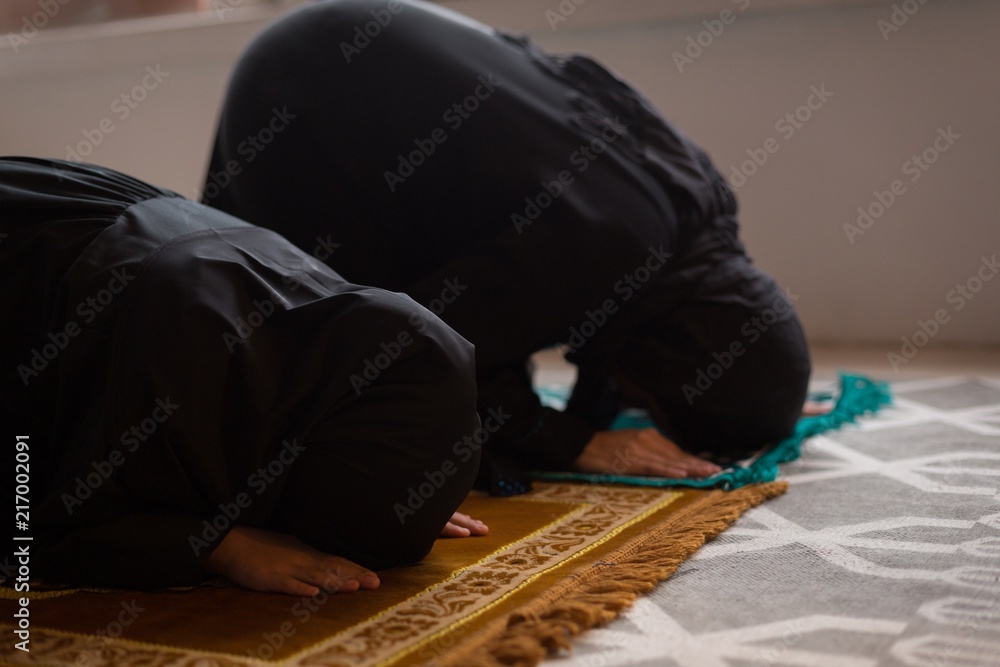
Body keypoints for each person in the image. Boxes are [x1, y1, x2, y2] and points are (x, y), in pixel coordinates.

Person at [203, 0, 812, 494]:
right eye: (647, 399)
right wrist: (566, 440)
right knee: (353, 414)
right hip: (303, 96)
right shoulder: (596, 253)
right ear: (675, 359)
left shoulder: (694, 210)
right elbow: (417, 339)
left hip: (343, 28)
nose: (629, 397)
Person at [0, 157, 487, 596]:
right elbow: (37, 528)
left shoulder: (323, 329)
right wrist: (216, 546)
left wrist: (406, 488)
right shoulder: (175, 363)